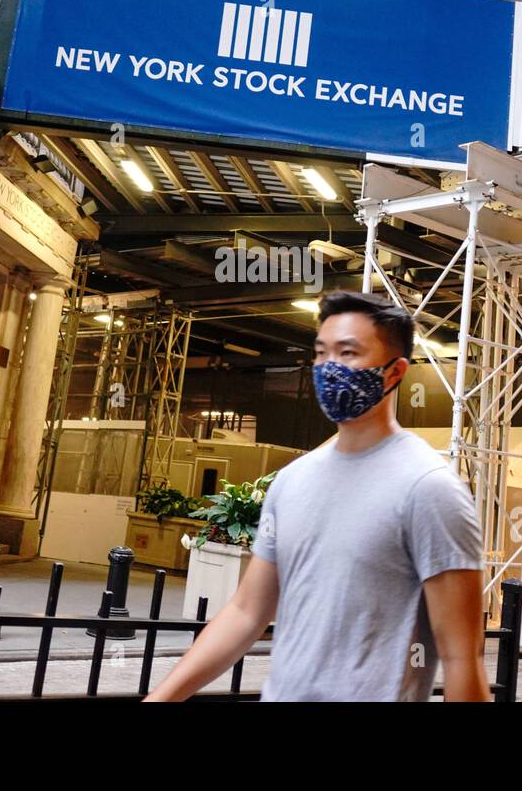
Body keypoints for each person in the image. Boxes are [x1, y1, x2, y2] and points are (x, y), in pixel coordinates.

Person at [145, 290, 489, 701]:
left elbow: (461, 659)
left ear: (394, 373)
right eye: (321, 353)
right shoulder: (291, 482)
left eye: (348, 354)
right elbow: (246, 613)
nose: (330, 368)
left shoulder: (429, 489)